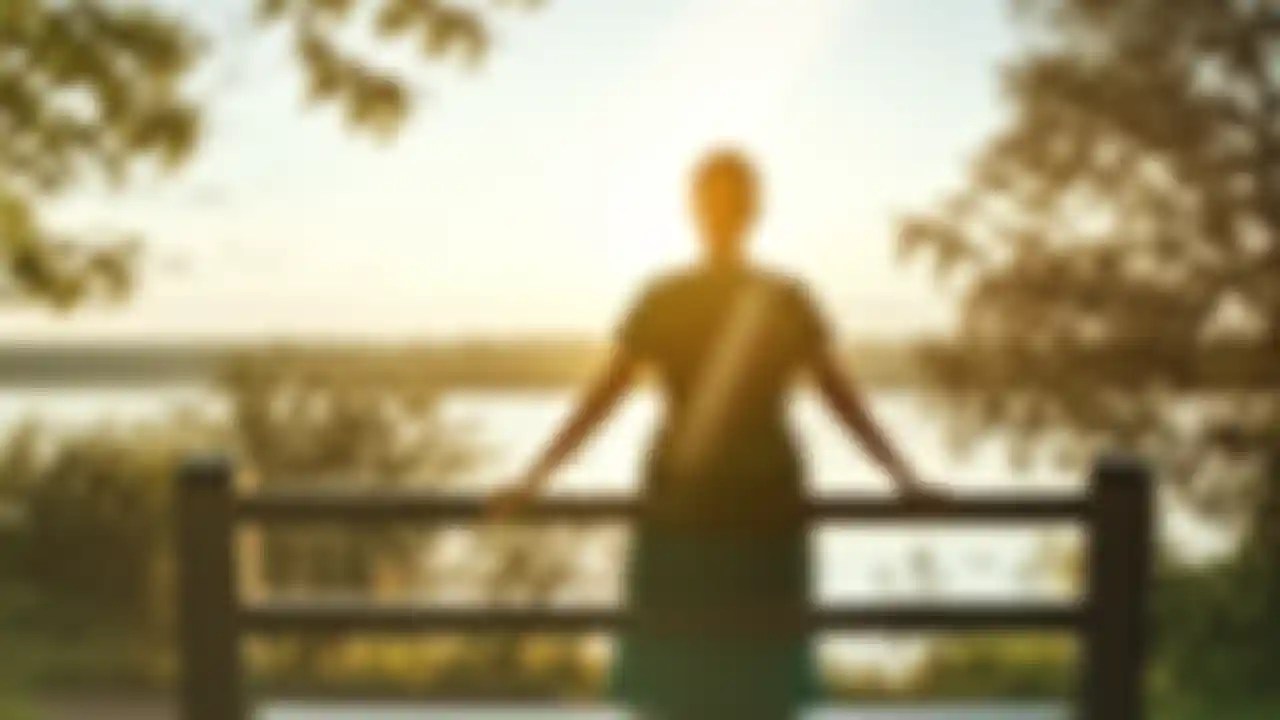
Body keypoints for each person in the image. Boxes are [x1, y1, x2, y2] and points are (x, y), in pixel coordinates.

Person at [489, 148, 934, 720]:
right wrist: (901, 476)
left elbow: (601, 400)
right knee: (748, 671)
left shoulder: (679, 298)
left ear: (698, 210)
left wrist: (537, 476)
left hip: (705, 501)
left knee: (690, 674)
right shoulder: (773, 297)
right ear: (751, 210)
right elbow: (842, 400)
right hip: (740, 501)